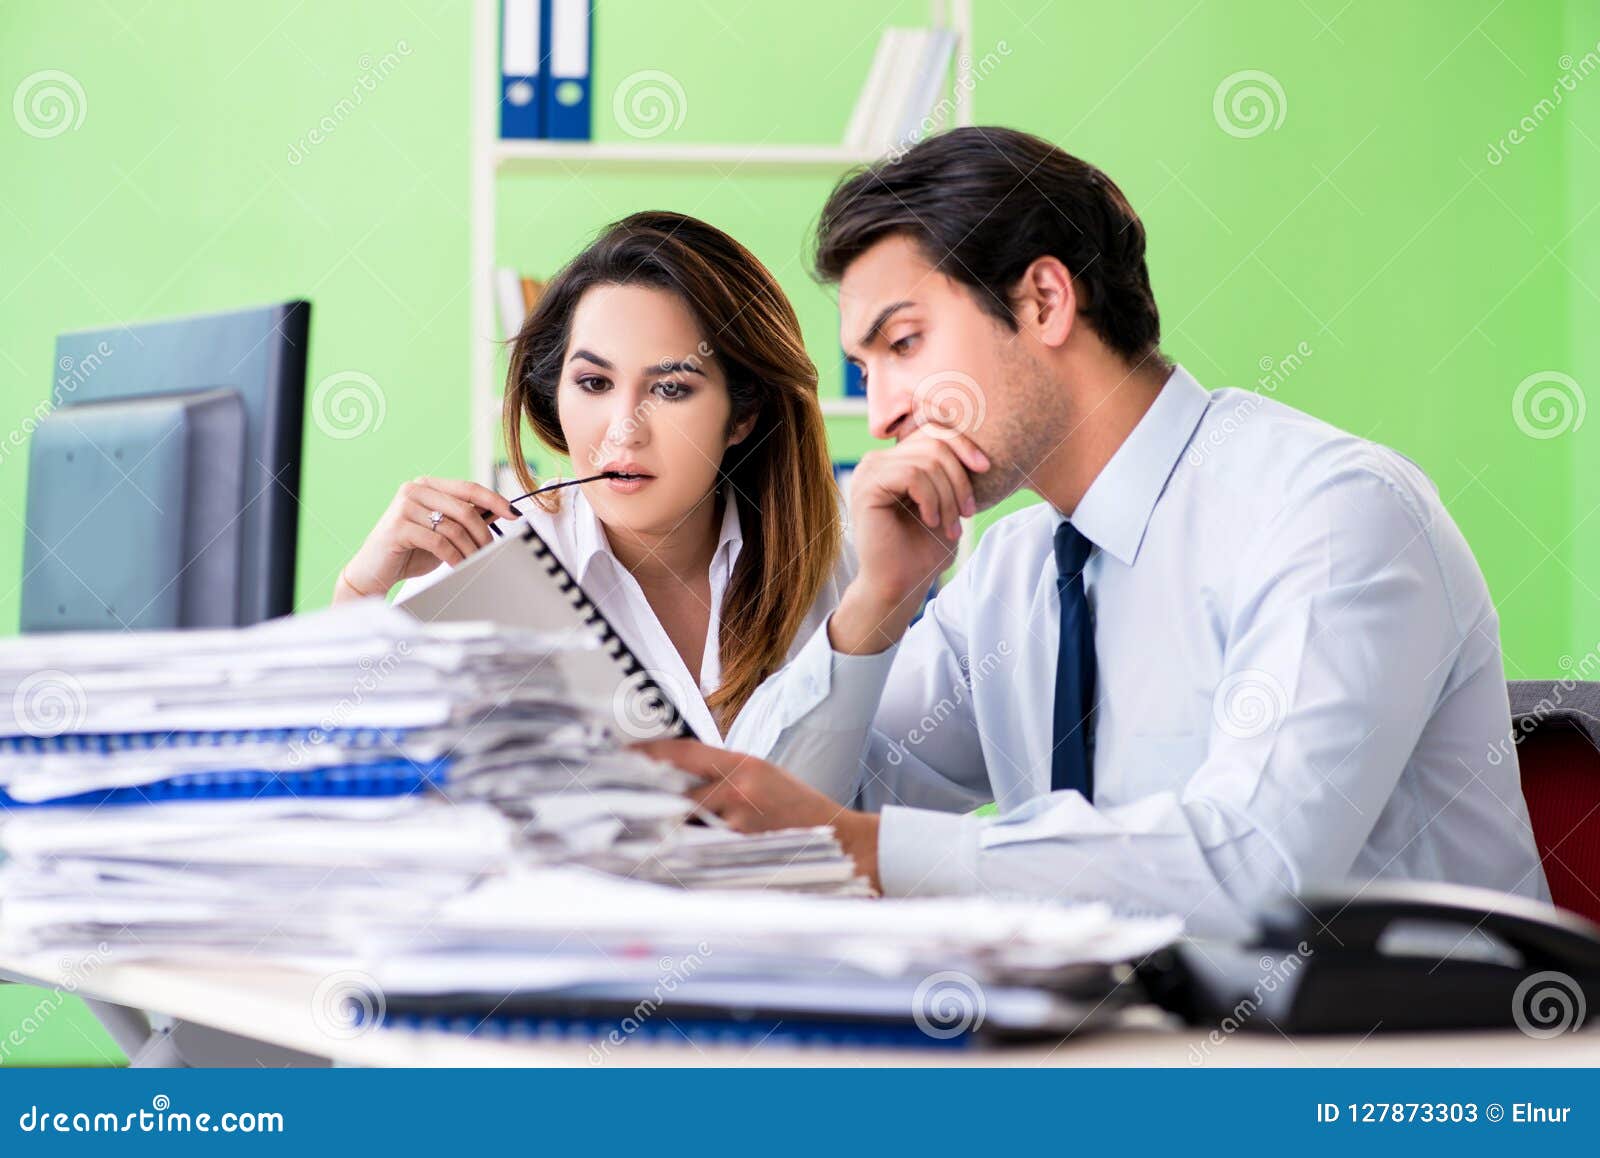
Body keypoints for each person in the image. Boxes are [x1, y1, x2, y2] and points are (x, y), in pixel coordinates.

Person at [639, 127, 1550, 938]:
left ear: (1042, 301)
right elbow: (763, 818)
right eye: (864, 368)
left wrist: (868, 850)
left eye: (905, 344)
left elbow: (1258, 870)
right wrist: (875, 609)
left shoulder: (1331, 514)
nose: (880, 416)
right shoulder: (1009, 573)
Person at [334, 211, 873, 754]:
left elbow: (881, 805)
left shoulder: (836, 577)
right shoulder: (479, 567)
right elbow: (336, 783)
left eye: (670, 389)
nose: (624, 431)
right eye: (594, 382)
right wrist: (358, 595)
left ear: (742, 415)